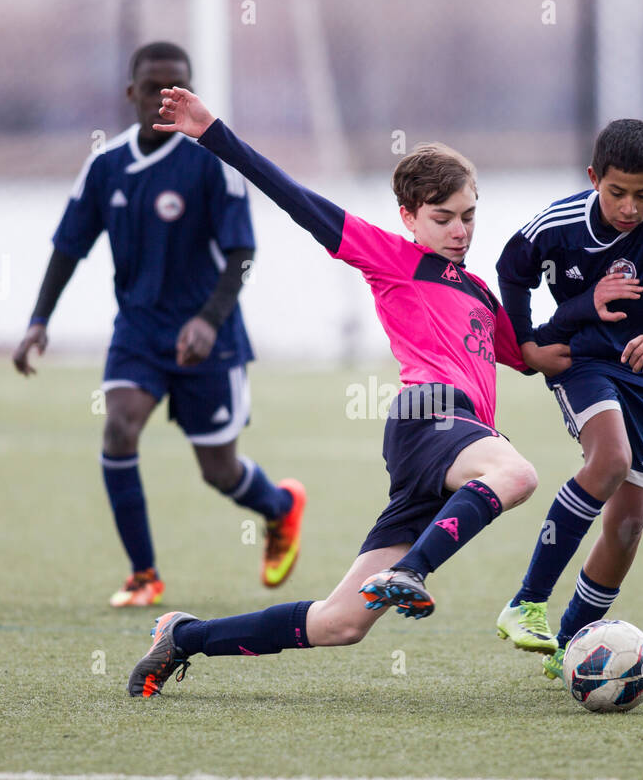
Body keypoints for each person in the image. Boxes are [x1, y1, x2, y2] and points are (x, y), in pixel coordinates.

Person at [127, 85, 576, 697]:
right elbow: (298, 200)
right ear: (409, 218)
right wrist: (212, 134)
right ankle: (413, 570)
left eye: (468, 216)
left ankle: (183, 636)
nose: (459, 231)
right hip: (429, 417)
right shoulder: (393, 259)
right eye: (442, 218)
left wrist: (603, 311)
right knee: (517, 474)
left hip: (444, 455)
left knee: (340, 624)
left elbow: (534, 355)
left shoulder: (481, 294)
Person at [11, 42, 305, 607]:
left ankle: (280, 507)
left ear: (190, 93)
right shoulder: (106, 166)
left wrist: (208, 321)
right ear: (131, 93)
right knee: (119, 427)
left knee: (217, 471)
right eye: (152, 88)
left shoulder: (215, 161)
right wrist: (38, 321)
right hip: (140, 335)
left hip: (209, 342)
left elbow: (243, 250)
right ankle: (143, 575)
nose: (163, 98)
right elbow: (69, 246)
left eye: (177, 88)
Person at [493, 119, 643, 679]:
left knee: (628, 523)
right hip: (582, 360)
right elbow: (510, 268)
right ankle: (527, 603)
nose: (630, 207)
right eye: (617, 192)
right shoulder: (560, 223)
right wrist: (526, 348)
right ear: (594, 179)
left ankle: (568, 648)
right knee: (609, 460)